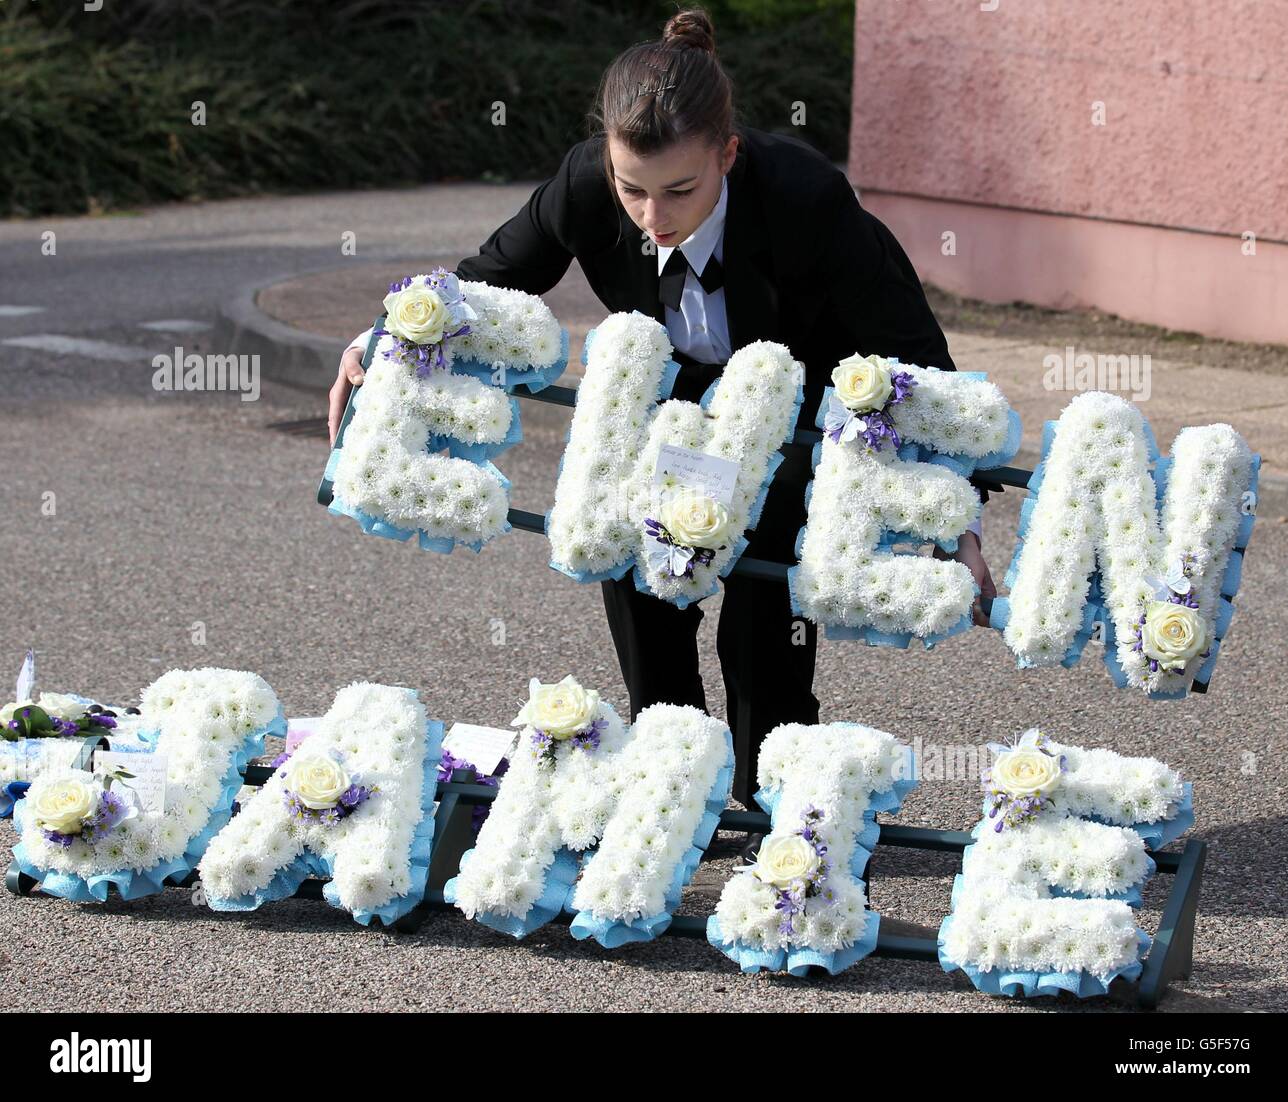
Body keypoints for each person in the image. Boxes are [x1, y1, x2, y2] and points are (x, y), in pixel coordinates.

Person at [327, 8, 996, 853]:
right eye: (631, 187)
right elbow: (481, 287)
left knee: (764, 623)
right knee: (644, 588)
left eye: (680, 190)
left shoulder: (806, 200)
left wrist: (958, 516)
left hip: (790, 412)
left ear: (727, 153)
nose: (651, 215)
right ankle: (674, 786)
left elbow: (914, 357)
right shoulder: (583, 183)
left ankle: (774, 816)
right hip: (668, 410)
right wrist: (378, 343)